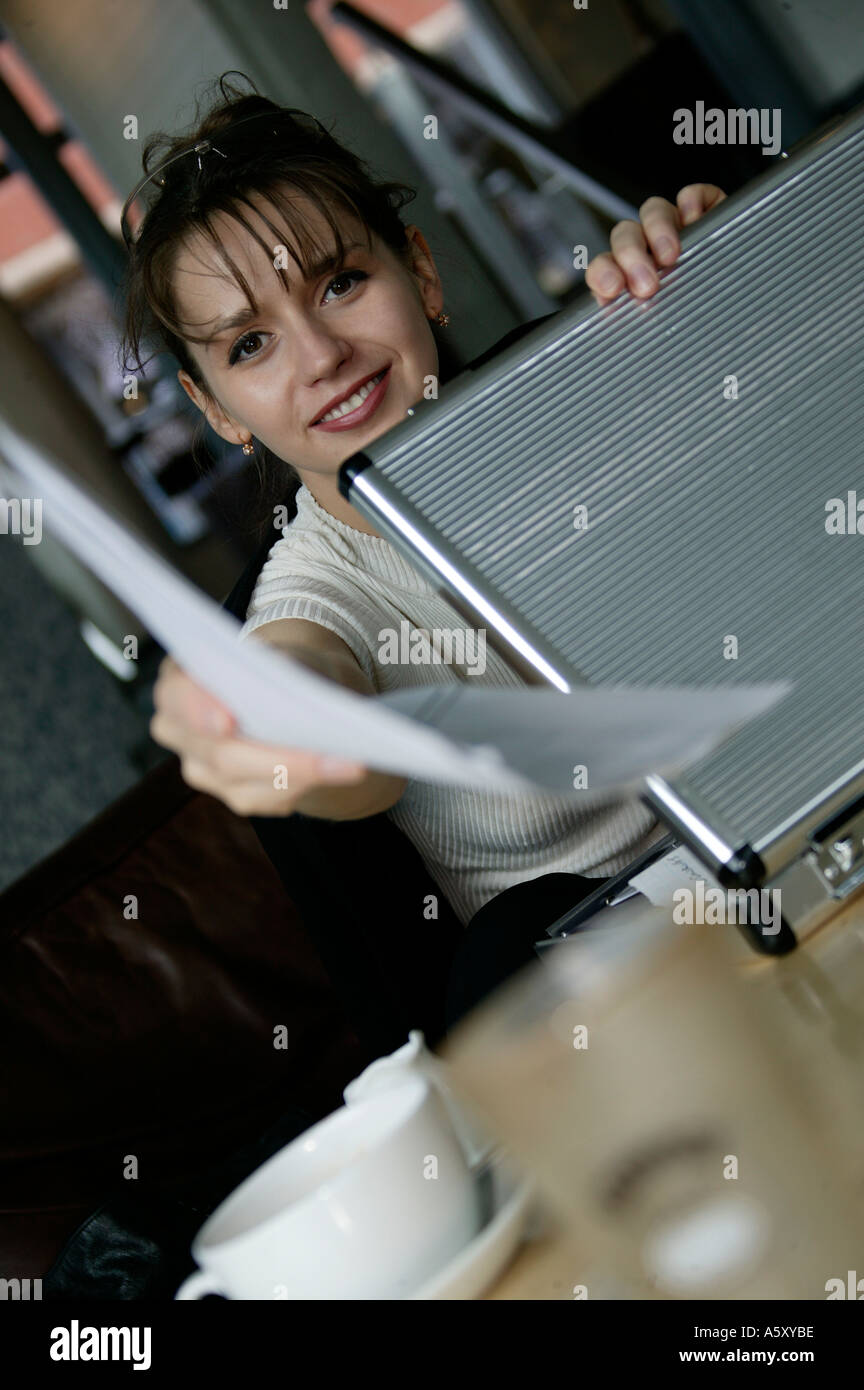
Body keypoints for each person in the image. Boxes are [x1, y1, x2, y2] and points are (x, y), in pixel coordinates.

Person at [126, 75, 726, 979]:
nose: (323, 356)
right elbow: (315, 697)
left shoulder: (593, 391)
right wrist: (275, 724)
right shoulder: (313, 601)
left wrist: (737, 290)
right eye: (250, 344)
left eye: (341, 283)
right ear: (218, 411)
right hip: (623, 981)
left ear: (422, 271)